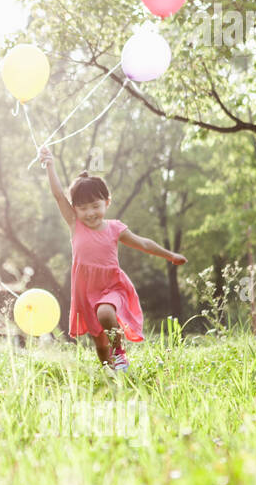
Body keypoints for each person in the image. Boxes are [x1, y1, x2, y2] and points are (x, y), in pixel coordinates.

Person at [38, 147, 185, 370]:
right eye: (83, 208)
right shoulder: (75, 225)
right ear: (75, 210)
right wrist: (50, 165)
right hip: (85, 290)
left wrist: (170, 255)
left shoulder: (115, 228)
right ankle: (111, 370)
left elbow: (143, 243)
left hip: (111, 286)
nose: (89, 213)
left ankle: (120, 352)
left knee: (106, 312)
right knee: (99, 343)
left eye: (95, 206)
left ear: (107, 202)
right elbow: (59, 195)